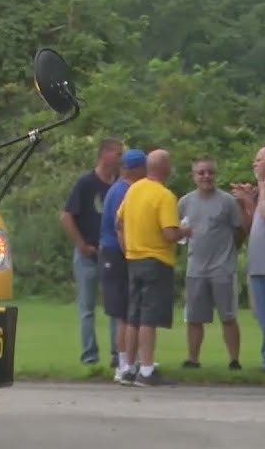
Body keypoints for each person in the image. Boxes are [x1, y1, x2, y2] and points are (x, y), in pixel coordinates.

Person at [115, 149, 192, 386]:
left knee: (134, 315)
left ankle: (128, 368)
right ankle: (147, 371)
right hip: (156, 260)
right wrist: (185, 231)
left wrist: (128, 247)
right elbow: (169, 233)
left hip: (134, 258)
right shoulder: (164, 195)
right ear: (165, 168)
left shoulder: (134, 190)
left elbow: (119, 221)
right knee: (148, 316)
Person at [178, 157, 247, 370]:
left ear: (215, 175)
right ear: (194, 176)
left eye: (210, 172)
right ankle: (193, 359)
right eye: (201, 173)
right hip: (195, 268)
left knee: (228, 316)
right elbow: (179, 231)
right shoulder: (184, 202)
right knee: (194, 318)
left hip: (222, 268)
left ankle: (234, 360)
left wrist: (229, 253)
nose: (206, 176)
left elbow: (239, 231)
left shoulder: (227, 201)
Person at [61, 138, 123, 365]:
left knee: (116, 306)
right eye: (118, 154)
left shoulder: (120, 185)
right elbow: (66, 216)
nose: (121, 159)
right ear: (105, 154)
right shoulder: (86, 183)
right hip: (88, 253)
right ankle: (90, 354)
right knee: (87, 307)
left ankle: (118, 354)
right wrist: (81, 245)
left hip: (112, 253)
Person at [233, 145, 265, 372]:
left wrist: (261, 189)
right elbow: (257, 218)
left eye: (259, 160)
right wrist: (247, 199)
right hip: (259, 265)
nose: (255, 164)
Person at [101, 148, 146, 383]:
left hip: (115, 253)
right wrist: (131, 254)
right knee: (125, 313)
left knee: (127, 313)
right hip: (117, 254)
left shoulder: (120, 188)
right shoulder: (124, 192)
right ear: (137, 169)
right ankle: (123, 363)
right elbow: (122, 227)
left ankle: (129, 359)